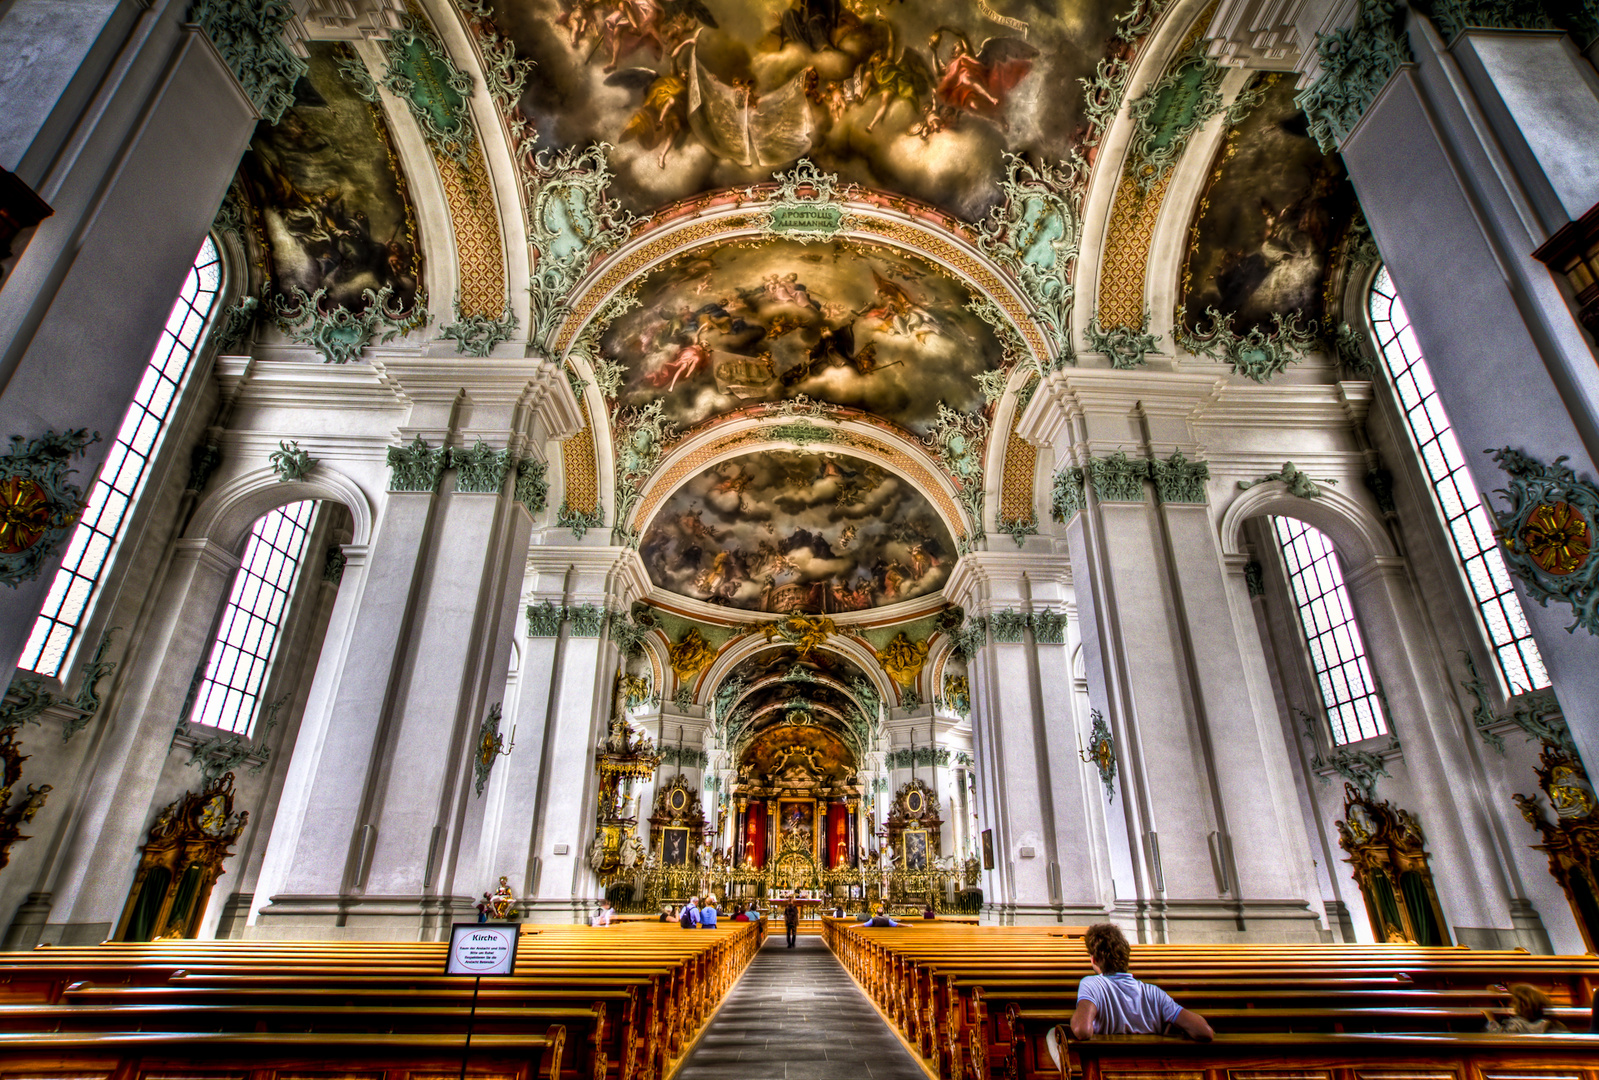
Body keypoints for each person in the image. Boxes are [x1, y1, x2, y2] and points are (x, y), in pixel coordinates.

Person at [1069, 923, 1212, 1041]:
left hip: (1106, 1064)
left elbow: (1082, 1031)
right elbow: (1204, 1031)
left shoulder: (1092, 985)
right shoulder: (1154, 993)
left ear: (1094, 959)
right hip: (1151, 1064)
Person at [1484, 984, 1568, 1033]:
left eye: (1512, 1002)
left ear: (1518, 1006)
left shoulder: (1516, 1024)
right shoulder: (1552, 1024)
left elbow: (1498, 1036)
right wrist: (1498, 987)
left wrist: (1491, 1020)